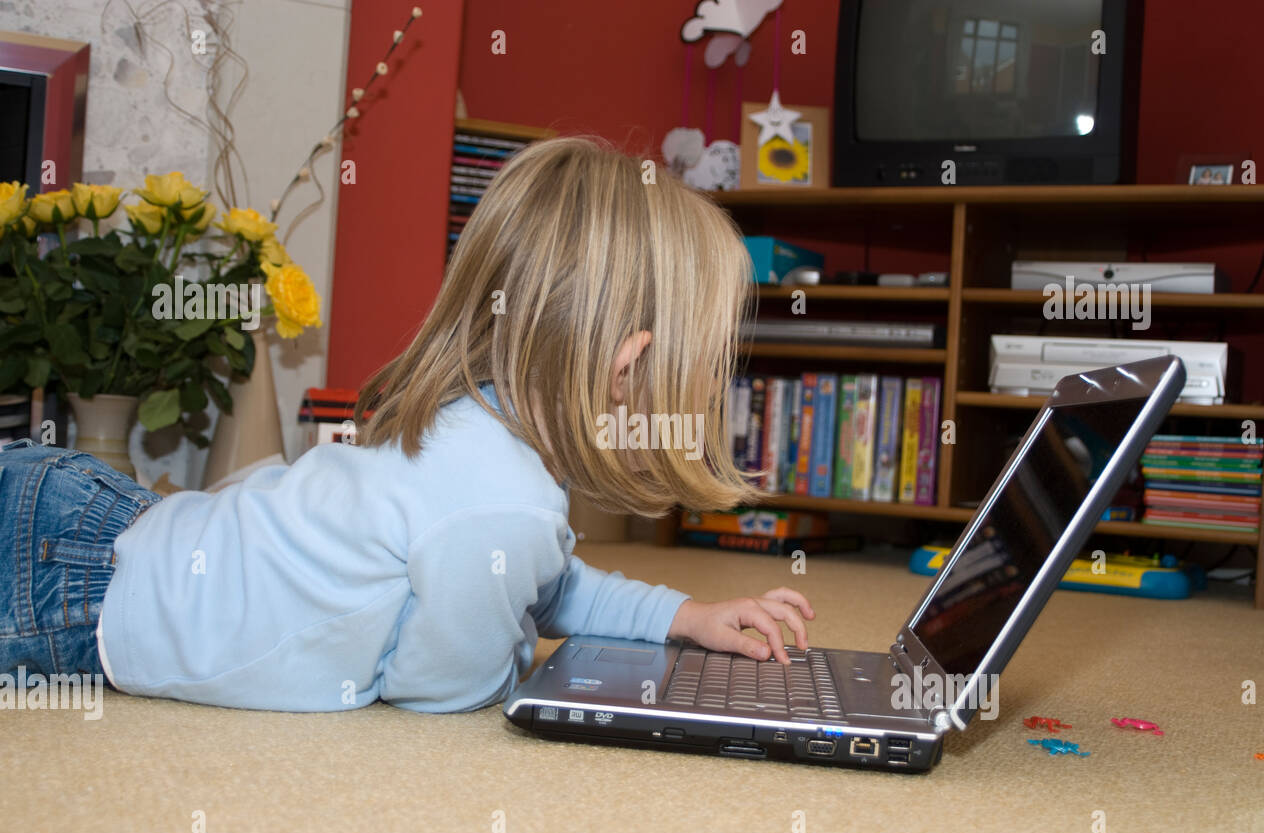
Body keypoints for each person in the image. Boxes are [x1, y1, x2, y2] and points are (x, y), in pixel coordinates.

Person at [0, 136, 815, 713]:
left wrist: (683, 619)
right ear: (628, 368)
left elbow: (549, 583)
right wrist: (521, 679)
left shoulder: (479, 429)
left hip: (95, 520)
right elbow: (439, 690)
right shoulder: (504, 506)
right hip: (76, 600)